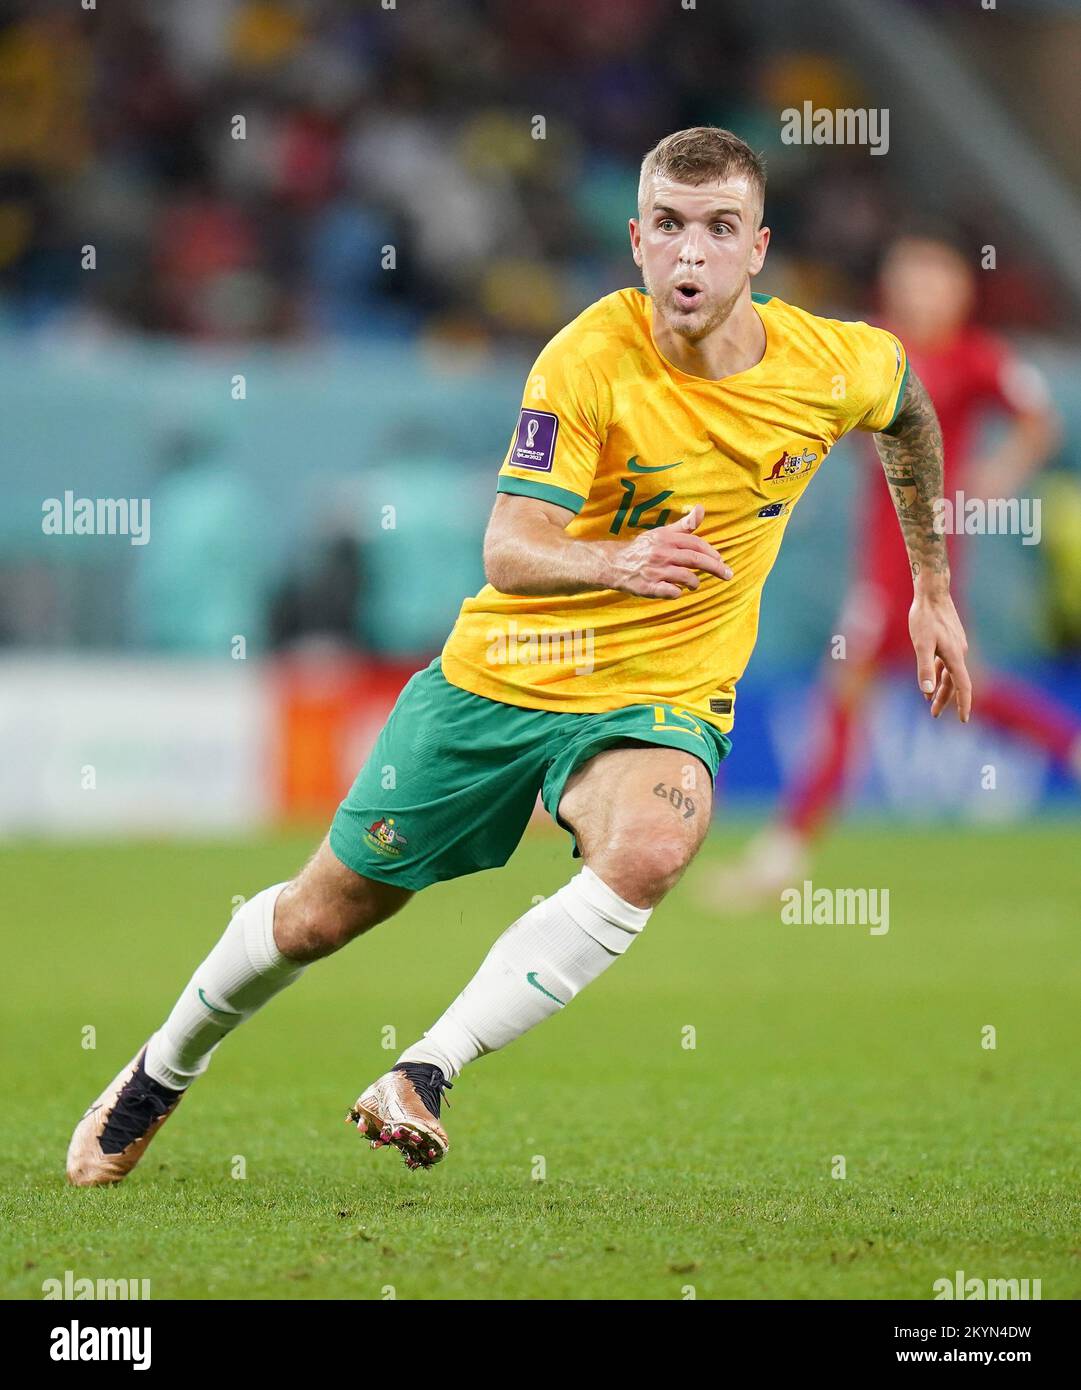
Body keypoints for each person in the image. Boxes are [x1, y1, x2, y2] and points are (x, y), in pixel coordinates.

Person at [67, 128, 971, 1184]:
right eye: (669, 227)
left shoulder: (829, 363)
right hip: (503, 679)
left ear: (758, 248)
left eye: (720, 228)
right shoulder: (586, 360)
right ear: (635, 241)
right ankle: (160, 1069)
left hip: (661, 692)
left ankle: (424, 1070)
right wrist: (621, 559)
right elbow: (508, 546)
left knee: (654, 844)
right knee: (321, 914)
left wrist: (932, 588)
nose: (691, 254)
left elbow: (907, 414)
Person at [706, 231, 1077, 908]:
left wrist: (997, 473)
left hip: (915, 565)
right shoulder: (875, 349)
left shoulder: (976, 357)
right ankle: (1070, 746)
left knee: (851, 693)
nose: (920, 290)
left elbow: (1038, 420)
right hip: (880, 552)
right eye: (909, 276)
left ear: (961, 287)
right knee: (953, 686)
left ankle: (784, 854)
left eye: (934, 277)